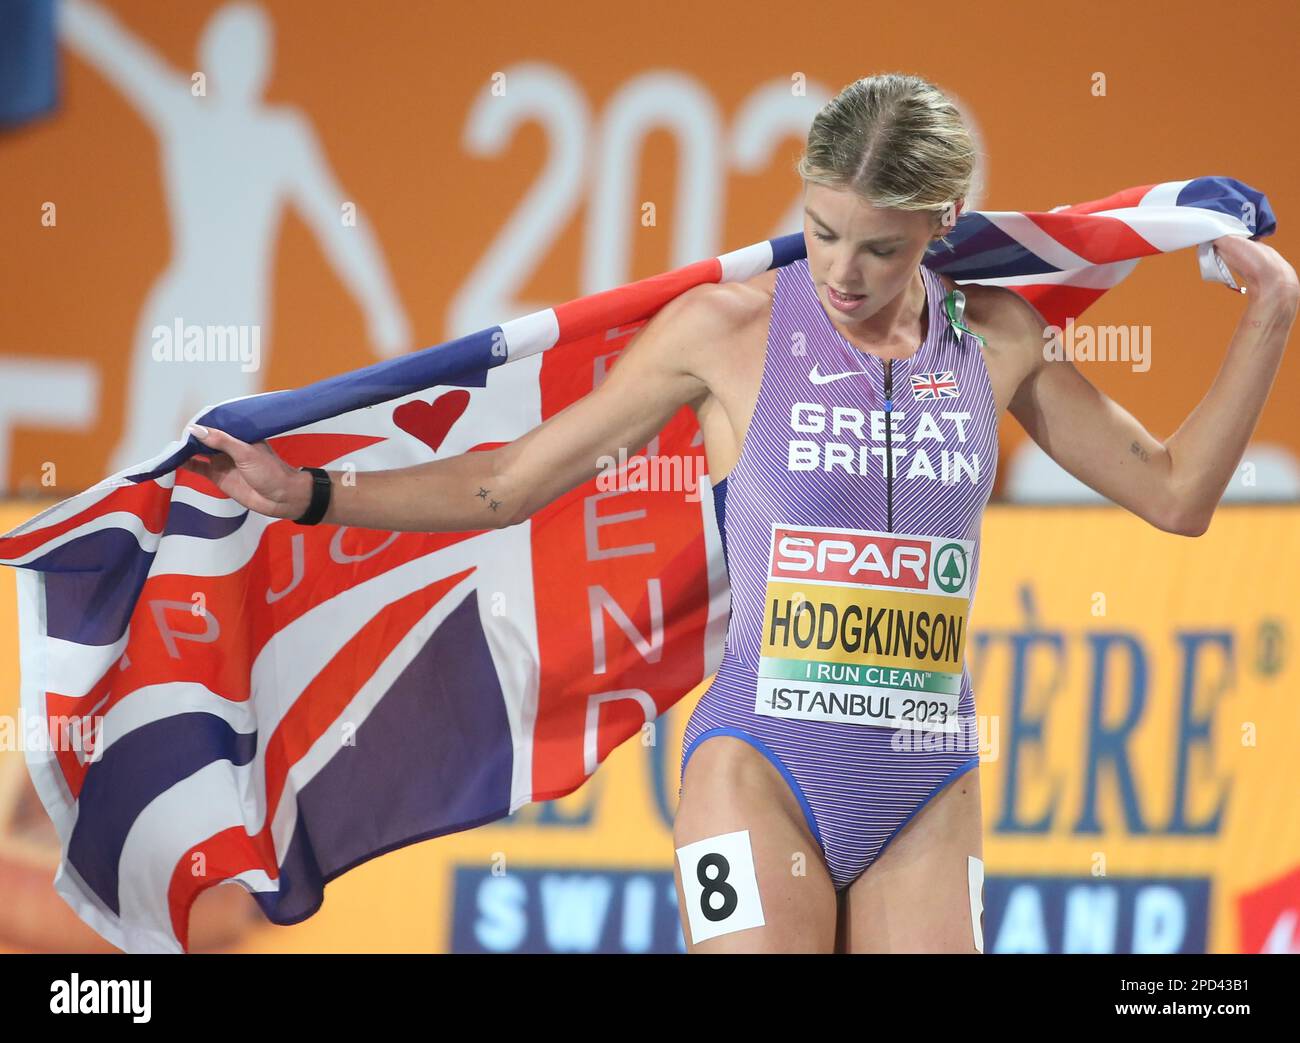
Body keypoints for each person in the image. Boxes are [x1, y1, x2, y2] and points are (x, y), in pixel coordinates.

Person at [182, 73, 1298, 954]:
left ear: (940, 224)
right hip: (760, 766)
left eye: (881, 246)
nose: (844, 273)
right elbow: (507, 481)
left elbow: (1174, 494)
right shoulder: (727, 329)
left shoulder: (997, 339)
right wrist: (316, 494)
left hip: (928, 781)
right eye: (820, 232)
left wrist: (1270, 313)